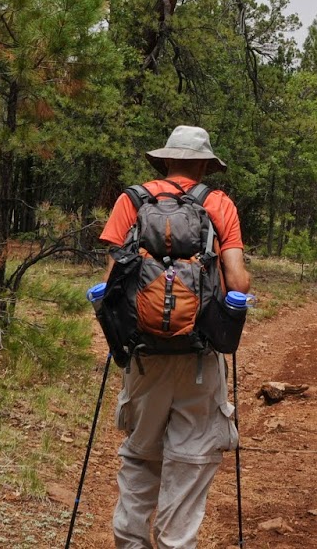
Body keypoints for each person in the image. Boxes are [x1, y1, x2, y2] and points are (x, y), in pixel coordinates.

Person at [98, 125, 251, 549]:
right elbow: (238, 281)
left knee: (140, 456)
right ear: (204, 165)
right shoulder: (218, 203)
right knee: (190, 459)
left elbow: (111, 283)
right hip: (199, 360)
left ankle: (130, 541)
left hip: (144, 358)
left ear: (165, 159)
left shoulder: (132, 200)